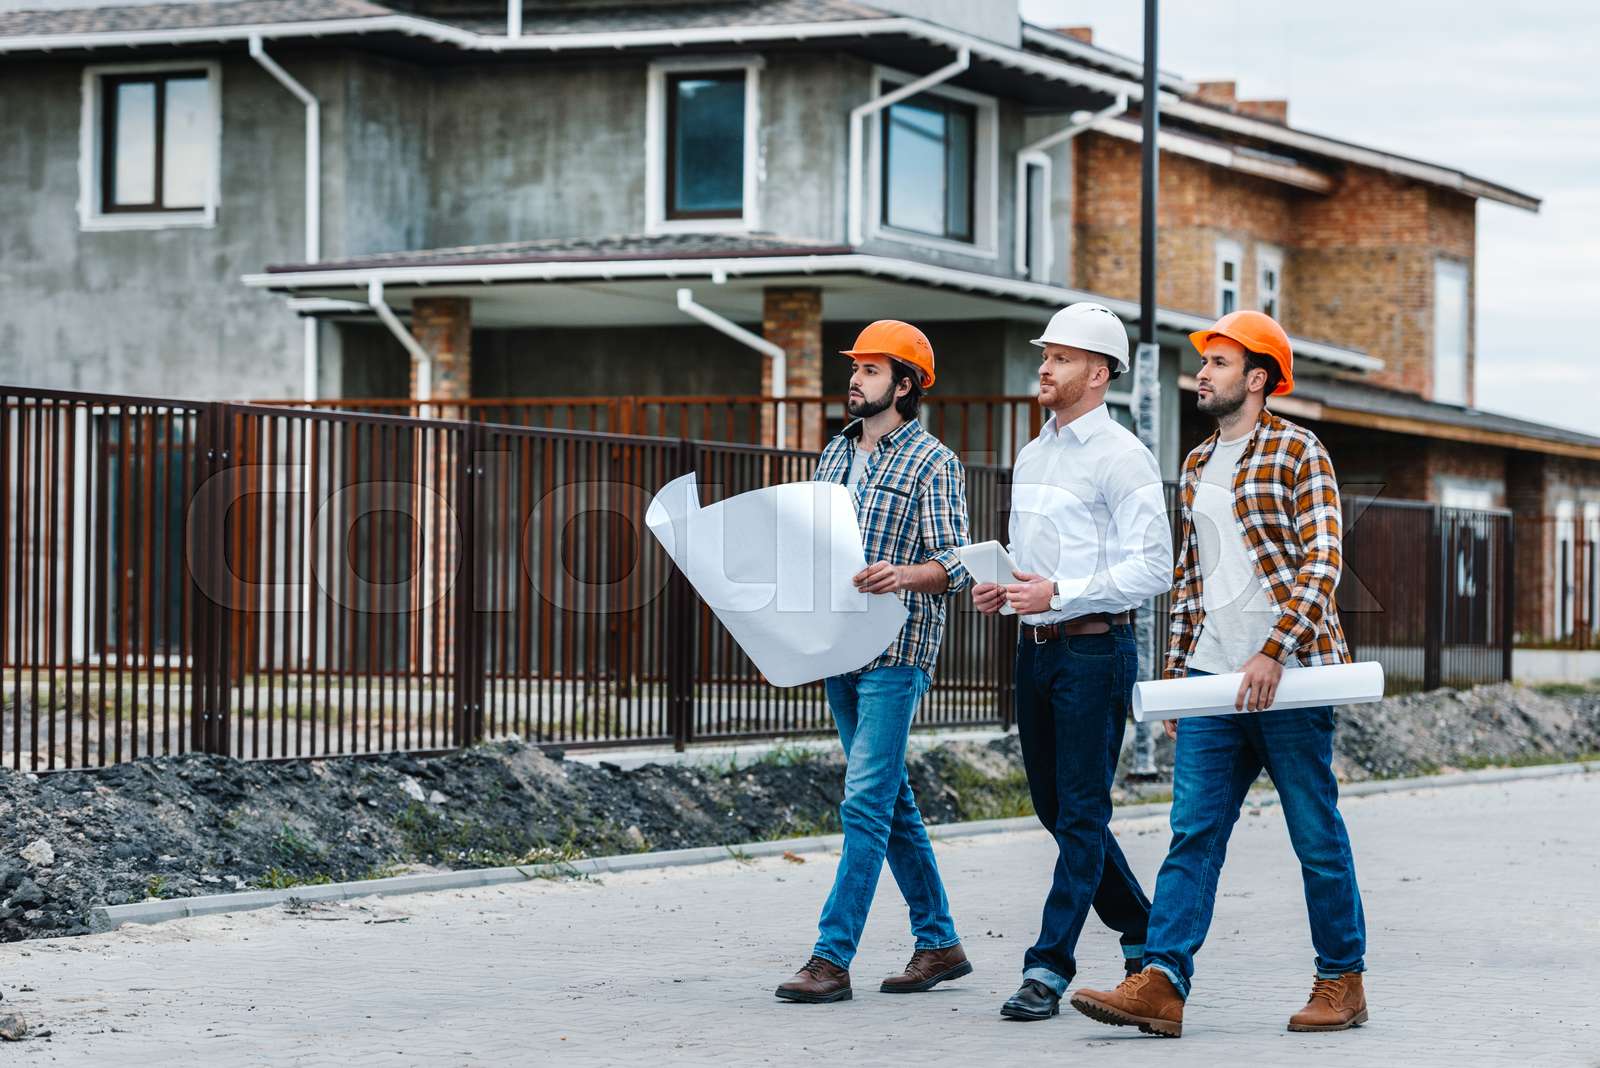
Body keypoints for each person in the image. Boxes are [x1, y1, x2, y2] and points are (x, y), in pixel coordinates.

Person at [1070, 310, 1368, 1038]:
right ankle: (1163, 983)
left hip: (1291, 681)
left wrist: (1272, 651)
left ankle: (1342, 980)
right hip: (1212, 682)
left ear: (1258, 378)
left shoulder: (1301, 452)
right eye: (1204, 363)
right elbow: (1191, 581)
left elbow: (1323, 563)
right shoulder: (1199, 464)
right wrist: (1180, 681)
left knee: (1315, 834)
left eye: (1220, 363)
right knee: (1192, 834)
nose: (1202, 374)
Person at [971, 302, 1173, 1021]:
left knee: (1082, 811)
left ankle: (1047, 966)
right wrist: (1012, 586)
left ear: (1098, 372)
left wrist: (1061, 591)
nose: (1044, 367)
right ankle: (1144, 928)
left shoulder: (1124, 457)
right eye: (1044, 355)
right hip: (1037, 650)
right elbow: (1039, 564)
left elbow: (1156, 565)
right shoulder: (1035, 452)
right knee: (1055, 808)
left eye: (1059, 357)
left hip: (1095, 650)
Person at [774, 320, 974, 1004]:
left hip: (897, 651)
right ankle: (940, 942)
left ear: (905, 383)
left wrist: (902, 576)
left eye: (869, 369)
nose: (854, 380)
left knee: (863, 802)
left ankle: (831, 959)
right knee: (891, 802)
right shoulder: (833, 454)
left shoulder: (932, 462)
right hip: (838, 646)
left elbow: (957, 565)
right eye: (854, 368)